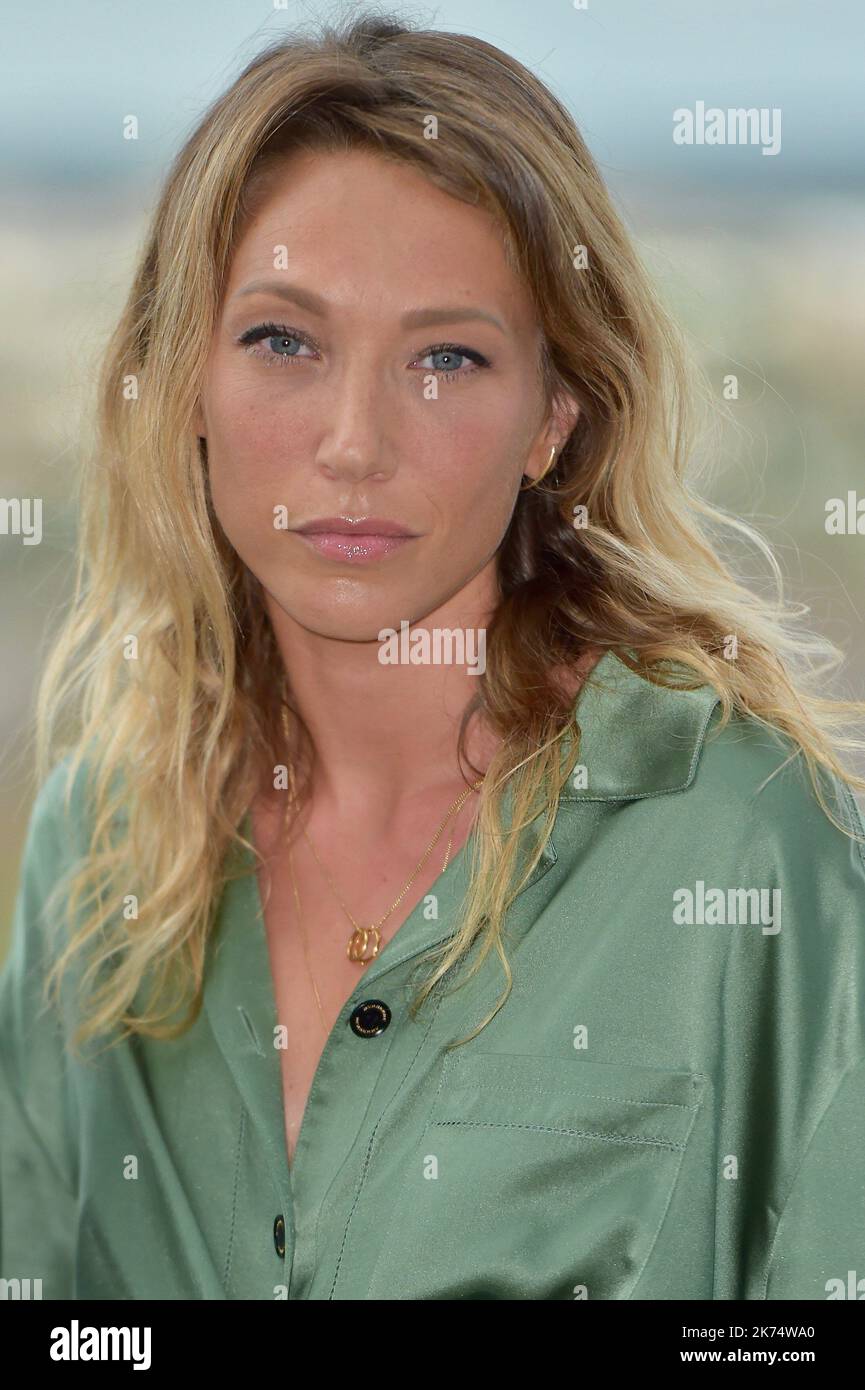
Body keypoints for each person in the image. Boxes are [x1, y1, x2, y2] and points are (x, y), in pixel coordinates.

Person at [1, 10, 864, 1302]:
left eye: (447, 356)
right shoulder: (98, 840)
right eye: (283, 339)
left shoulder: (748, 843)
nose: (354, 442)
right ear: (182, 380)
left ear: (552, 419)